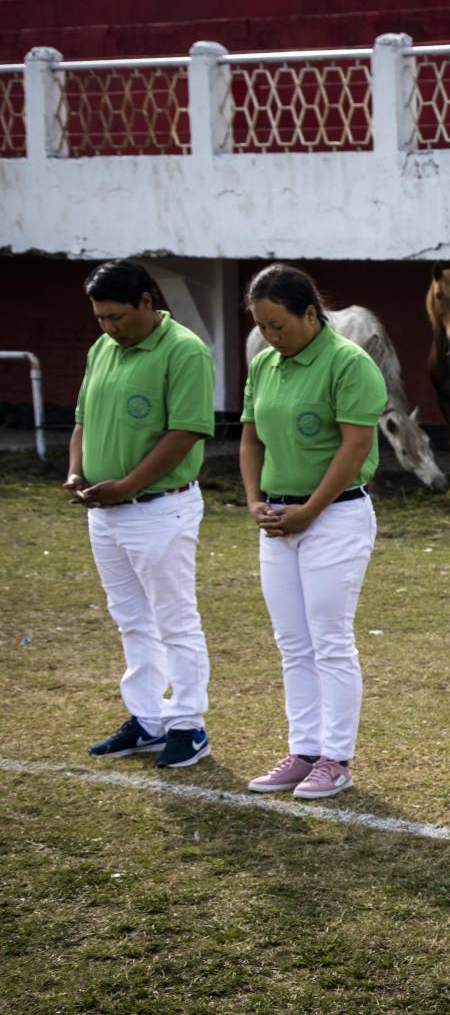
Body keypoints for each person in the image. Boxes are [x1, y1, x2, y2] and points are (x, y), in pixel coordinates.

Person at [239, 264, 386, 801]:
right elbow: (251, 440)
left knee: (330, 640)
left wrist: (310, 509)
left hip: (335, 518)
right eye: (261, 326)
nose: (270, 337)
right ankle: (303, 750)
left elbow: (356, 447)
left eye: (278, 325)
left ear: (310, 313)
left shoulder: (348, 363)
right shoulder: (264, 364)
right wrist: (255, 500)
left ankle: (336, 760)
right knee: (293, 643)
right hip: (279, 521)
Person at [72, 260, 217, 769]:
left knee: (175, 620)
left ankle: (189, 725)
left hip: (160, 509)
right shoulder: (102, 348)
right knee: (131, 618)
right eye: (100, 318)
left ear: (148, 303)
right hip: (105, 512)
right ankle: (148, 719)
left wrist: (128, 485)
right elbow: (82, 420)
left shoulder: (185, 351)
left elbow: (186, 432)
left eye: (117, 316)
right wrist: (75, 472)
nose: (109, 327)